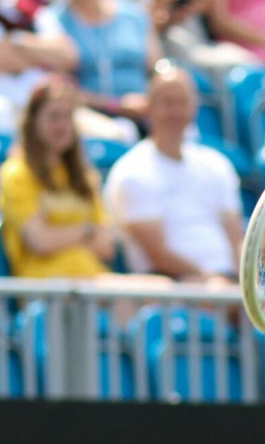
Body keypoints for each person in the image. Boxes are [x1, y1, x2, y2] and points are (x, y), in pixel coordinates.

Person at [104, 67, 243, 283]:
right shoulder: (131, 171)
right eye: (168, 102)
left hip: (226, 284)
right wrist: (211, 282)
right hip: (172, 287)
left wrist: (243, 282)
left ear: (194, 107)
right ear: (148, 107)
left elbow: (235, 236)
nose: (176, 111)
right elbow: (159, 256)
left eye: (182, 102)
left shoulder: (217, 164)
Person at [0, 78, 114, 278]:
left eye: (68, 117)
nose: (63, 126)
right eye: (54, 117)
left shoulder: (85, 175)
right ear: (32, 122)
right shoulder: (17, 173)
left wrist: (58, 235)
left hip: (92, 280)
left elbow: (105, 247)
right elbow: (41, 242)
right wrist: (86, 230)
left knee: (162, 289)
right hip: (47, 289)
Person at [37, 0, 163, 127]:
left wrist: (152, 99)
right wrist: (115, 105)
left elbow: (158, 68)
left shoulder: (134, 14)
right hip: (87, 115)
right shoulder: (53, 20)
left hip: (145, 113)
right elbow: (60, 87)